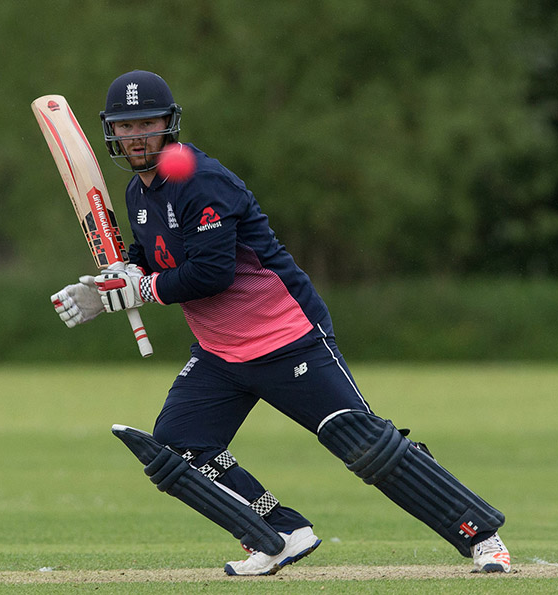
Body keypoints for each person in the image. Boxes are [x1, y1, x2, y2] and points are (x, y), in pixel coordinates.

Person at [51, 70, 511, 576]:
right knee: (178, 445)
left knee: (362, 444)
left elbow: (212, 273)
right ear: (112, 132)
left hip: (287, 338)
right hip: (220, 354)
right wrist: (109, 288)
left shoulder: (201, 180)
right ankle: (279, 533)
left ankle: (481, 535)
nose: (137, 136)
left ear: (169, 124)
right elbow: (151, 258)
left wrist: (142, 290)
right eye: (126, 126)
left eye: (148, 123)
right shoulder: (138, 196)